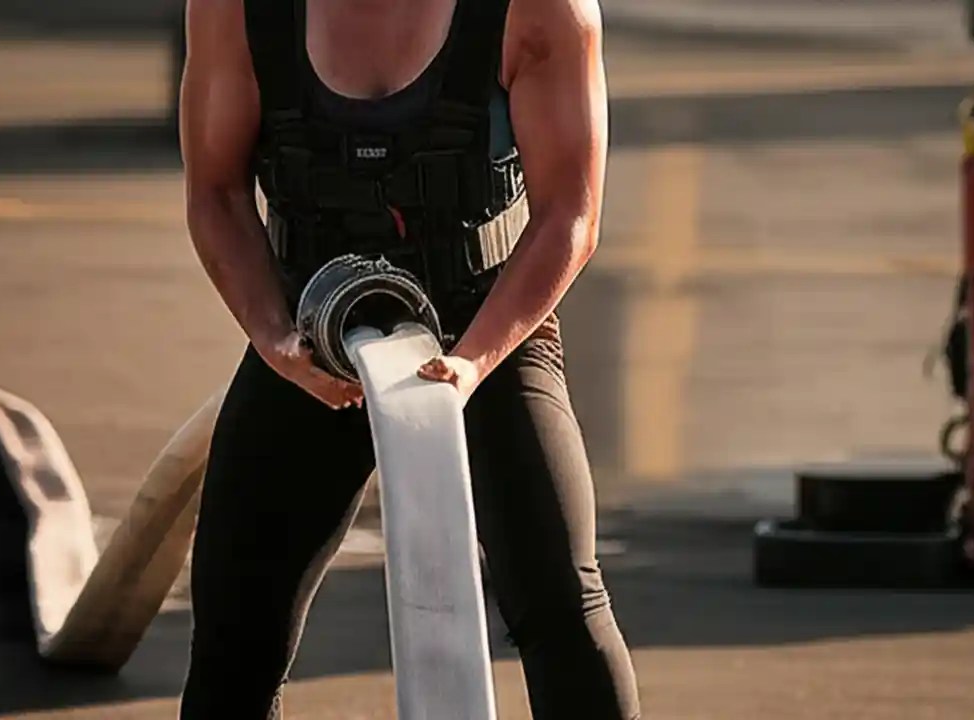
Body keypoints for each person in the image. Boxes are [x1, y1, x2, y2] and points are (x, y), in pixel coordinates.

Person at [178, 0, 641, 717]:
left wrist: (474, 363)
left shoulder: (541, 10)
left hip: (482, 324)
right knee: (234, 633)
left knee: (561, 602)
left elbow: (569, 216)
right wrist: (273, 336)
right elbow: (215, 190)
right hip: (311, 334)